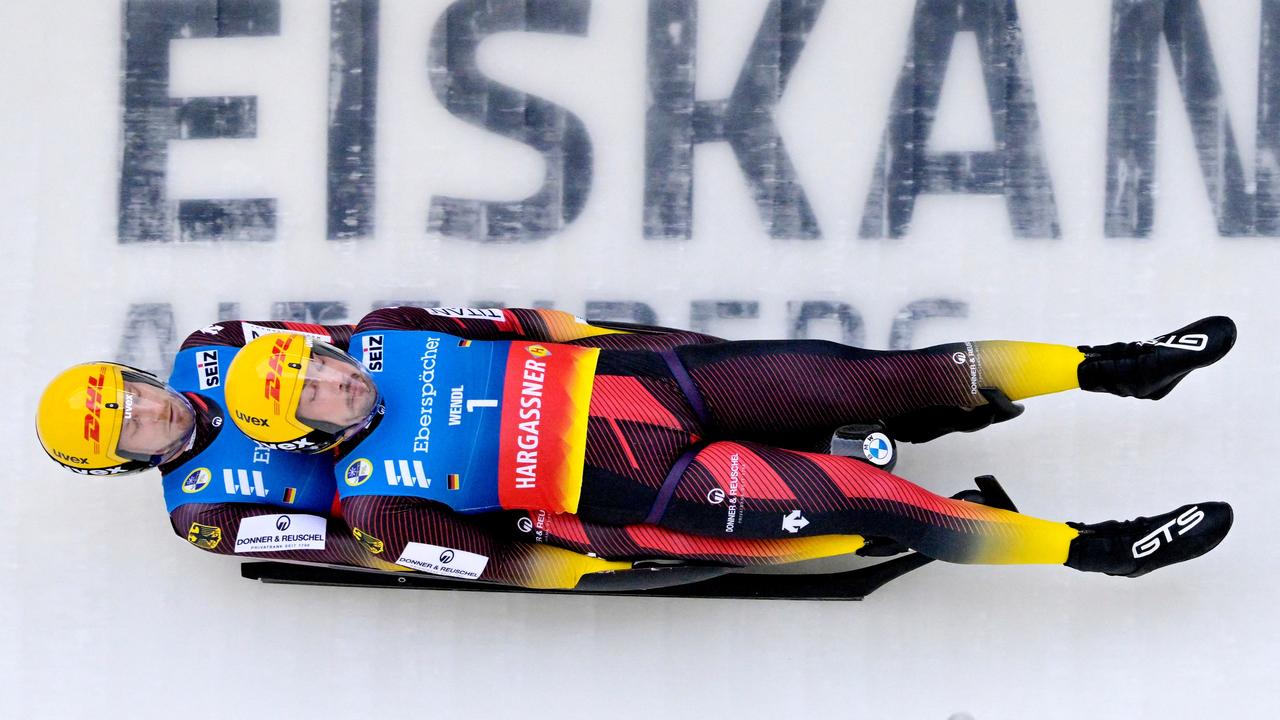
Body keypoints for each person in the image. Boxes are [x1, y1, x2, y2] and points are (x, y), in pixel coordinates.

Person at [221, 307, 1237, 590]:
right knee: (876, 501)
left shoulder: (392, 331)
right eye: (312, 398)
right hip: (655, 482)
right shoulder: (372, 500)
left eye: (319, 363)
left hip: (664, 382)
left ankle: (1114, 366)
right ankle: (1097, 550)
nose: (335, 383)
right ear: (309, 433)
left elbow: (543, 324)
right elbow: (503, 562)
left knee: (895, 373)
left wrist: (671, 345)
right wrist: (621, 559)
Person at [35, 319, 402, 572]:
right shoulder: (200, 513)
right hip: (411, 485)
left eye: (135, 393)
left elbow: (344, 340)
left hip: (398, 397)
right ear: (127, 462)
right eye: (133, 426)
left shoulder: (213, 344)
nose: (154, 409)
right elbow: (357, 548)